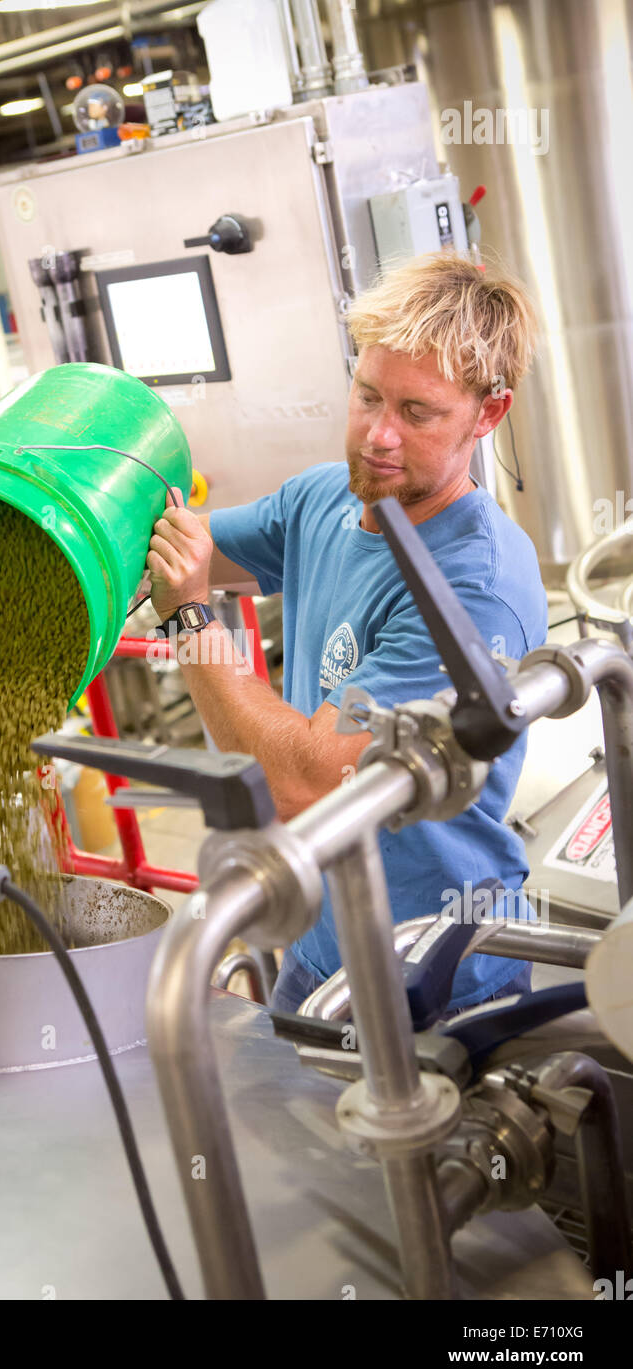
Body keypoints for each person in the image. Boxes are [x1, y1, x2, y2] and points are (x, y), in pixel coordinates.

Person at [144, 250, 546, 1016]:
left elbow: (309, 783)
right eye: (367, 396)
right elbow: (176, 543)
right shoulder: (323, 499)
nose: (378, 436)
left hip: (431, 966)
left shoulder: (472, 587)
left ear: (487, 414)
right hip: (322, 944)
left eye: (417, 413)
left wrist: (190, 619)